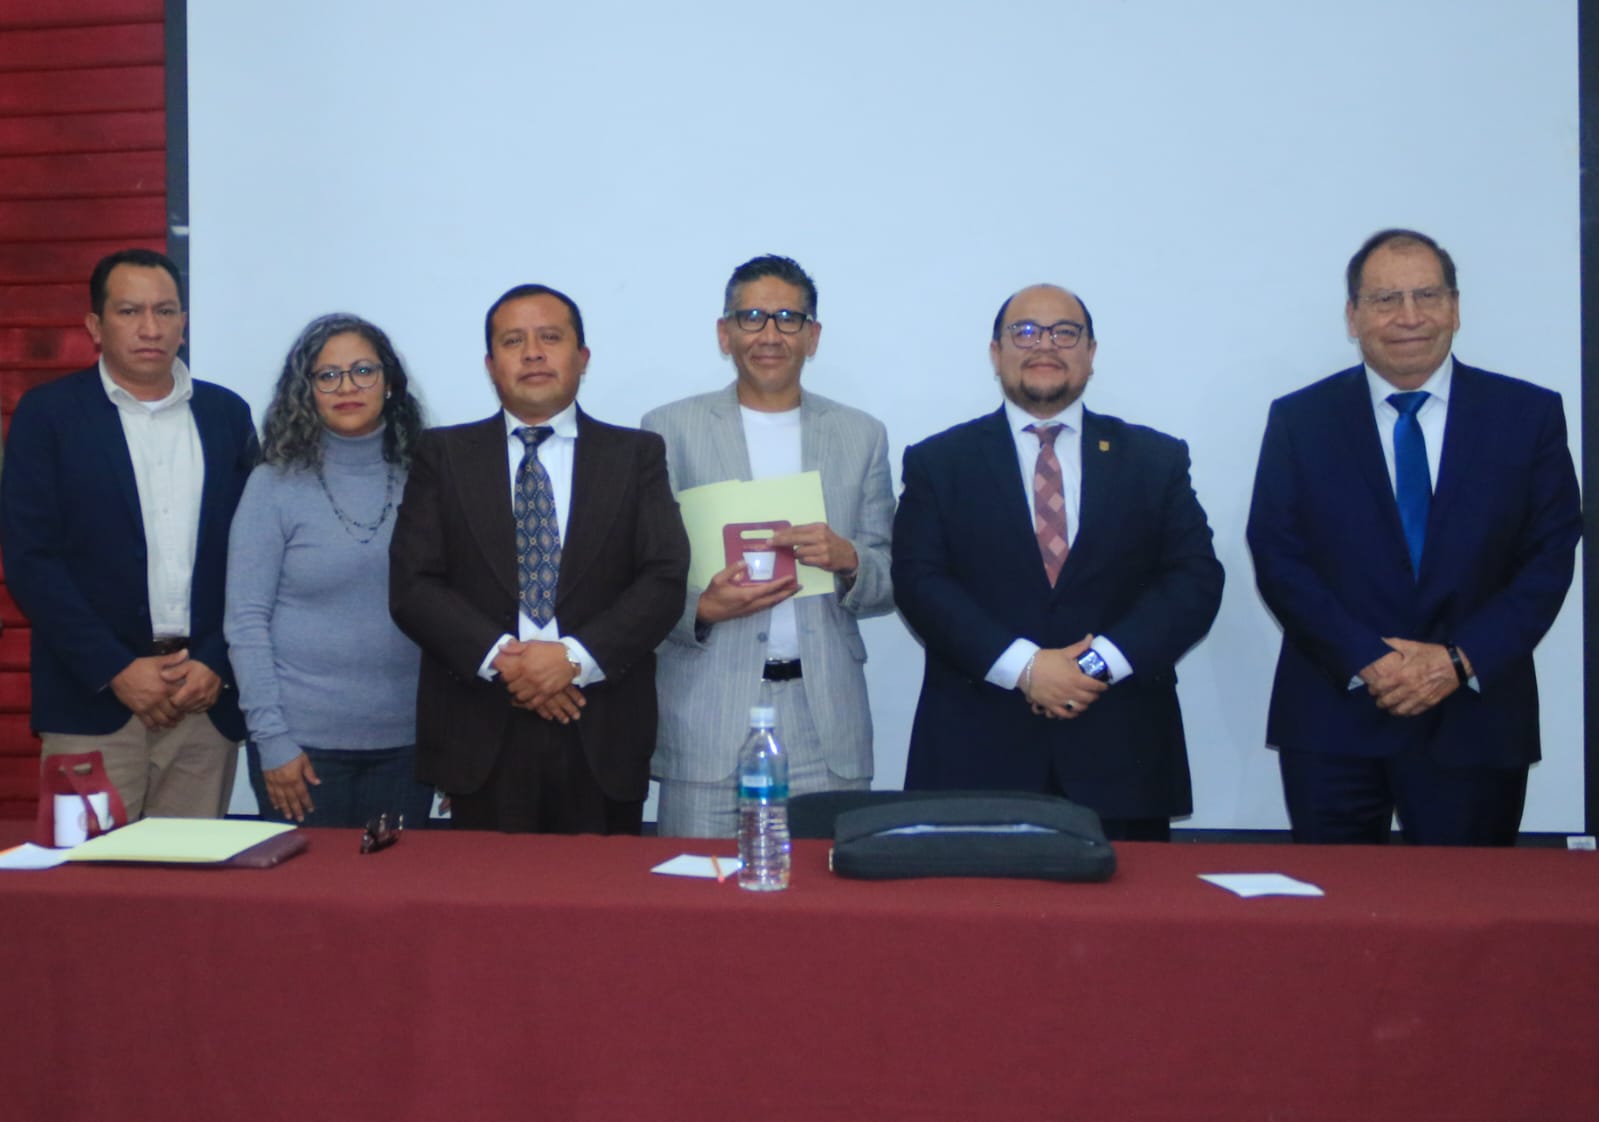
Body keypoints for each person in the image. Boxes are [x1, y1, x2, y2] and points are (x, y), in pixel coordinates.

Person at [1246, 229, 1581, 846]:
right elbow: (1279, 557)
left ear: (1455, 307)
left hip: (1475, 717)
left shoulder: (1527, 416)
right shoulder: (1300, 420)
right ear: (1353, 315)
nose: (1409, 317)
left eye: (1426, 295)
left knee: (1470, 925)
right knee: (1334, 925)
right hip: (1334, 715)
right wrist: (1369, 660)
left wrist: (1457, 660)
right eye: (1385, 299)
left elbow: (1549, 559)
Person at [892, 283, 1223, 841]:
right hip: (976, 756)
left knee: (1122, 927)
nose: (1044, 345)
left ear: (1091, 353)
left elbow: (1195, 579)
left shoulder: (1155, 459)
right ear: (996, 353)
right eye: (1024, 331)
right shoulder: (939, 461)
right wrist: (1026, 668)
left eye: (1064, 332)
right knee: (975, 926)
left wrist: (1093, 667)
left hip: (1121, 756)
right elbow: (920, 582)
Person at [389, 284, 690, 834]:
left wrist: (571, 659)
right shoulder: (444, 455)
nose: (532, 353)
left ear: (582, 358)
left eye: (550, 338)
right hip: (479, 732)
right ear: (490, 363)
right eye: (513, 341)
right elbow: (414, 587)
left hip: (600, 729)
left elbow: (663, 579)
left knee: (600, 912)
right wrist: (513, 664)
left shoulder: (636, 455)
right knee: (484, 913)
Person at [640, 254, 895, 837]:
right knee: (700, 899)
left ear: (813, 336)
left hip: (822, 714)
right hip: (705, 712)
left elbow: (890, 576)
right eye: (752, 317)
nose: (770, 334)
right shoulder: (667, 429)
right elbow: (639, 573)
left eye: (787, 318)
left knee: (819, 911)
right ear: (724, 333)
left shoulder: (861, 436)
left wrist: (850, 561)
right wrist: (698, 609)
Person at [0, 247, 257, 818]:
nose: (150, 328)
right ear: (95, 325)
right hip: (92, 705)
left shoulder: (226, 415)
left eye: (166, 311)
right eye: (129, 311)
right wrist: (115, 669)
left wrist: (215, 660)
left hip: (202, 702)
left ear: (183, 324)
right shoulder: (48, 416)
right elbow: (30, 559)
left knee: (189, 896)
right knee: (87, 891)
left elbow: (254, 556)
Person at [225, 313, 433, 828]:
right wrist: (271, 740)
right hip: (302, 750)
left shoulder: (430, 479)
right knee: (307, 906)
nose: (347, 387)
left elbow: (456, 611)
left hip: (411, 747)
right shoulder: (273, 485)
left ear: (389, 383)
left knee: (396, 903)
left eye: (364, 370)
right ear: (307, 389)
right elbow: (246, 623)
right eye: (328, 375)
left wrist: (455, 744)